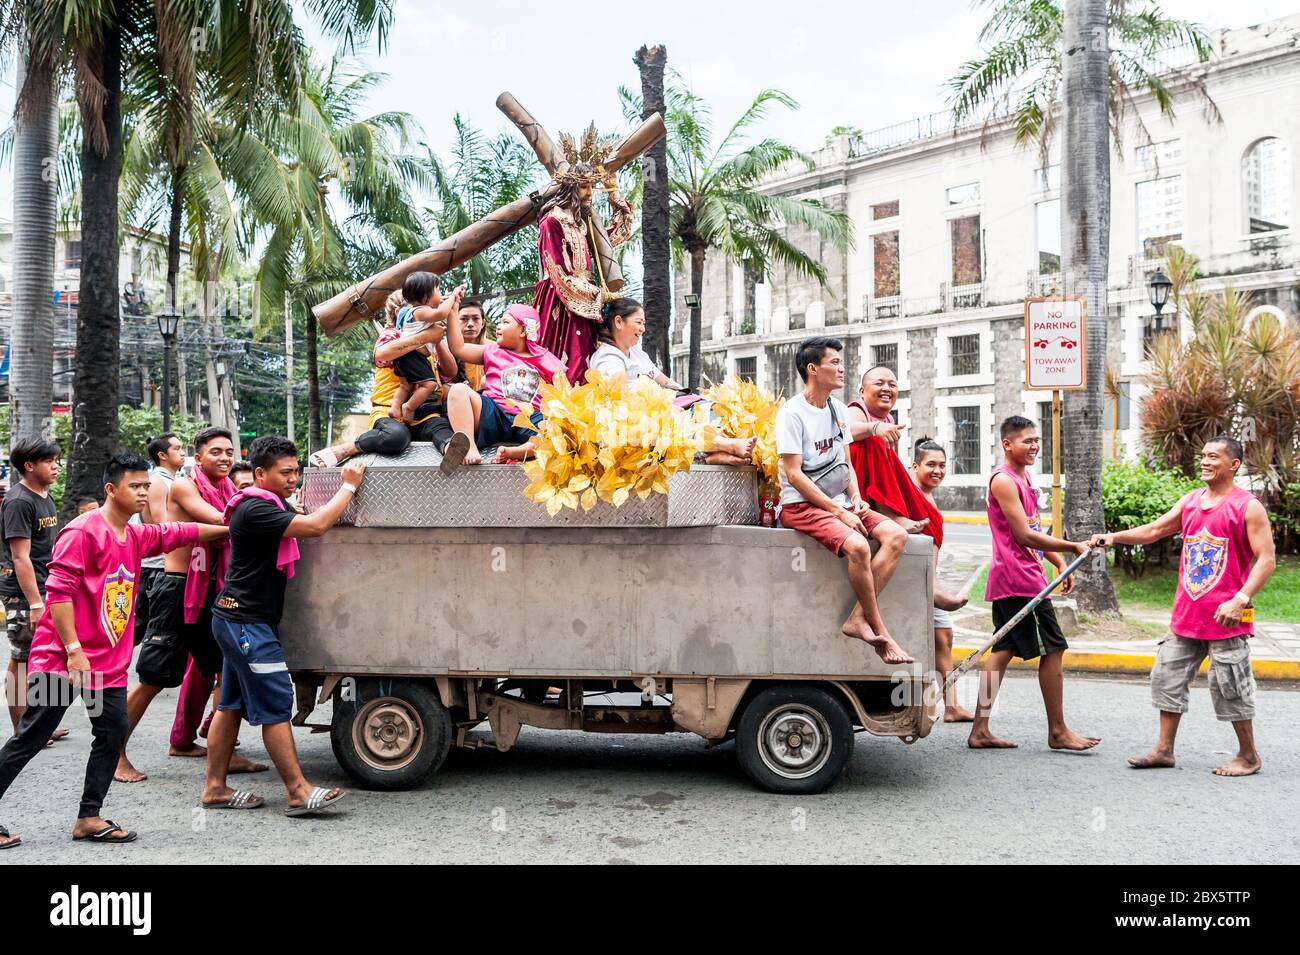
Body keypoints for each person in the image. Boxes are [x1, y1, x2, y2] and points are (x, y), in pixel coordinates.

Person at [0, 451, 227, 848]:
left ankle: (89, 816)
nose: (144, 493)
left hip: (106, 667)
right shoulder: (82, 532)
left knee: (111, 733)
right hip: (61, 662)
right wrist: (73, 650)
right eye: (135, 486)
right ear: (111, 489)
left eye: (146, 485)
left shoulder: (136, 535)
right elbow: (59, 595)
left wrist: (231, 527)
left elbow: (184, 533)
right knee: (33, 735)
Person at [1091, 436, 1275, 777]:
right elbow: (1157, 529)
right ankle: (1164, 750)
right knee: (1167, 679)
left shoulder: (1247, 506)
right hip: (1186, 615)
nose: (1204, 461)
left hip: (1226, 617)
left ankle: (1249, 755)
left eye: (1214, 457)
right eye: (1203, 456)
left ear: (1233, 464)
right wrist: (1114, 538)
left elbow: (1266, 560)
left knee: (1230, 685)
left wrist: (1240, 599)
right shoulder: (1191, 501)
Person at [201, 437, 365, 815]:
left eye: (295, 471)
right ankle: (297, 791)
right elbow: (315, 526)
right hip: (247, 625)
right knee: (275, 705)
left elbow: (300, 516)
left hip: (235, 619)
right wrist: (349, 485)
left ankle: (214, 788)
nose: (293, 479)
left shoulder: (264, 504)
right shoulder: (257, 509)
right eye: (285, 472)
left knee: (230, 705)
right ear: (260, 474)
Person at [116, 427, 266, 782]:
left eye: (229, 452)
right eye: (216, 452)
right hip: (178, 589)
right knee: (153, 679)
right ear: (198, 459)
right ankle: (114, 754)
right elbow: (222, 521)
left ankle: (221, 752)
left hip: (212, 593)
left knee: (222, 672)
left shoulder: (229, 489)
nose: (225, 458)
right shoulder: (185, 486)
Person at [774, 337, 913, 665]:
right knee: (859, 547)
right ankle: (882, 633)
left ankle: (856, 618)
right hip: (802, 506)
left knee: (897, 535)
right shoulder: (792, 414)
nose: (841, 368)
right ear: (813, 369)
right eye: (834, 362)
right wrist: (838, 511)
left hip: (840, 501)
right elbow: (794, 475)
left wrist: (856, 499)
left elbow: (845, 463)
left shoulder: (837, 409)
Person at [968, 415, 1099, 751]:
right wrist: (1071, 547)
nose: (1034, 446)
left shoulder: (1024, 479)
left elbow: (1034, 528)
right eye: (1027, 441)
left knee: (1003, 650)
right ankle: (1058, 731)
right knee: (1053, 648)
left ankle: (980, 729)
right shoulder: (1004, 481)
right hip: (1018, 578)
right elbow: (1023, 534)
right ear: (1007, 444)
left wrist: (1055, 559)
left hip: (1019, 575)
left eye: (1036, 440)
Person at [309, 289, 464, 472]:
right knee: (397, 437)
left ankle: (450, 450)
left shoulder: (431, 341)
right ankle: (347, 448)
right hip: (389, 412)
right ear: (401, 313)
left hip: (425, 413)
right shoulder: (391, 336)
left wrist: (436, 340)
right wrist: (424, 336)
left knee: (442, 428)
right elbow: (382, 354)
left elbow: (451, 371)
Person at [589, 297, 756, 464]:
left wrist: (689, 397)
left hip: (657, 404)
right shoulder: (607, 356)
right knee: (670, 418)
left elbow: (665, 381)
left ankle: (713, 455)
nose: (643, 329)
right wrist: (663, 406)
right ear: (619, 322)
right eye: (639, 322)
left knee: (706, 406)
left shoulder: (637, 353)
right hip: (629, 418)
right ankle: (724, 446)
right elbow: (619, 399)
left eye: (644, 324)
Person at [532, 161, 633, 384]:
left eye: (592, 187)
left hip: (585, 300)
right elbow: (559, 271)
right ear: (570, 188)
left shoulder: (580, 222)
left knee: (589, 359)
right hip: (562, 300)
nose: (590, 194)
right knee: (572, 364)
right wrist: (599, 296)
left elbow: (609, 240)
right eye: (584, 187)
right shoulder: (552, 221)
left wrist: (615, 196)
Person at [1, 438, 67, 744]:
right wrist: (35, 603)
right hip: (22, 592)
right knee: (22, 658)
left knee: (40, 657)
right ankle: (23, 732)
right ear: (29, 466)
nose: (55, 466)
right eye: (49, 461)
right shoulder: (19, 501)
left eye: (56, 460)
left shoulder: (43, 495)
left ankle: (38, 725)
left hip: (44, 585)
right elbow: (19, 556)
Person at [444, 303, 565, 467]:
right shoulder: (491, 350)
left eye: (505, 322)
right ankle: (469, 445)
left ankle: (521, 451)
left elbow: (565, 391)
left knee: (557, 428)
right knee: (458, 390)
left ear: (523, 330)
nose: (499, 327)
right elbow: (458, 348)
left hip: (530, 416)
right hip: (494, 412)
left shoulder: (545, 358)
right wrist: (452, 314)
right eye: (499, 322)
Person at [911, 438, 974, 722]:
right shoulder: (912, 494)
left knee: (944, 638)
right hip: (920, 582)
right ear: (915, 466)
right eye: (930, 465)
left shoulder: (928, 494)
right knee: (940, 638)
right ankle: (948, 706)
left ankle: (950, 705)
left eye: (941, 465)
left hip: (930, 579)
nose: (937, 470)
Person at [846, 365, 940, 540]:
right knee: (874, 441)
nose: (887, 389)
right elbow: (848, 430)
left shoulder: (889, 419)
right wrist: (874, 428)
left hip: (874, 480)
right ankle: (890, 514)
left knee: (933, 520)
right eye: (879, 383)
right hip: (853, 480)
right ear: (862, 391)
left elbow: (887, 467)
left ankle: (932, 567)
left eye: (892, 385)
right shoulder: (857, 409)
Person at [134, 432, 186, 648]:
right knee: (142, 631)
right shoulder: (156, 482)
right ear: (162, 455)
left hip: (160, 567)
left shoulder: (172, 481)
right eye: (177, 448)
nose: (183, 452)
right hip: (154, 568)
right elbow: (163, 527)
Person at [389, 273, 453, 424]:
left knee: (405, 385)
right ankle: (409, 407)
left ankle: (395, 407)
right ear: (426, 296)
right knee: (430, 384)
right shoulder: (421, 311)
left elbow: (436, 307)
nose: (440, 294)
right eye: (438, 290)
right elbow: (441, 313)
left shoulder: (410, 312)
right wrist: (453, 297)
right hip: (413, 355)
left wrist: (442, 299)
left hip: (403, 356)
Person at [457, 299, 492, 391]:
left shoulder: (494, 349)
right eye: (463, 319)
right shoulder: (445, 350)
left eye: (476, 318)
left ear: (483, 323)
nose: (470, 324)